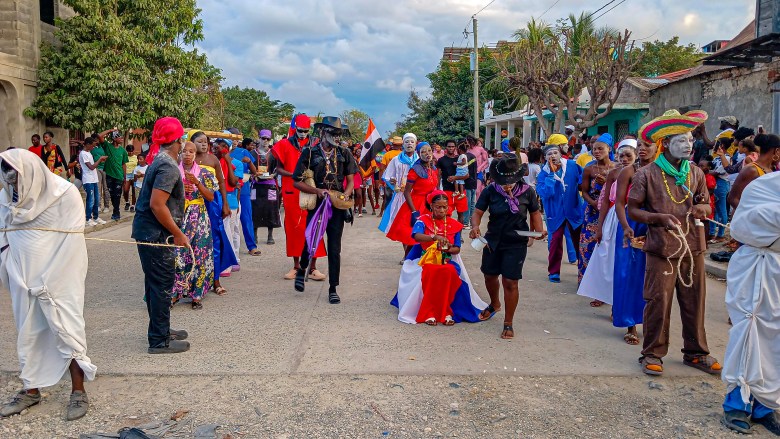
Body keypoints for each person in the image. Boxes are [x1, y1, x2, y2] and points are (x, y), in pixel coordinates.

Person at [0, 149, 98, 421]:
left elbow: (72, 243)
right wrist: (12, 271)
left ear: (31, 171)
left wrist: (50, 280)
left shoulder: (64, 195)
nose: (11, 183)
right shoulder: (6, 198)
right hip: (23, 279)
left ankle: (78, 390)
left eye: (15, 176)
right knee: (27, 332)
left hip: (59, 277)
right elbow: (4, 239)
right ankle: (31, 389)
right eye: (6, 175)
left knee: (67, 327)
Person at [629, 109, 720, 376]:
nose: (688, 145)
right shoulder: (646, 174)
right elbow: (633, 209)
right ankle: (652, 354)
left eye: (690, 140)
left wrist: (703, 208)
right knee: (658, 301)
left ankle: (696, 353)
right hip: (661, 248)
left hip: (693, 246)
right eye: (681, 140)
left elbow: (705, 202)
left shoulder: (696, 173)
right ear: (665, 143)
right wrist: (657, 217)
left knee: (695, 300)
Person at [720, 170, 780, 435]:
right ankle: (737, 403)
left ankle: (766, 405)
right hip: (756, 267)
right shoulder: (763, 187)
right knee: (748, 333)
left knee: (776, 340)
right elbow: (744, 225)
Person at [131, 116, 190, 355]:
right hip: (156, 235)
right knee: (161, 286)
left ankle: (162, 329)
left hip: (151, 233)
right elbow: (157, 205)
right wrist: (178, 234)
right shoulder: (167, 165)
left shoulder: (161, 160)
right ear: (178, 140)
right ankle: (158, 340)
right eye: (183, 137)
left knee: (158, 284)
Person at [470, 156, 546, 339]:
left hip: (516, 242)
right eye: (503, 181)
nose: (507, 185)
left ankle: (508, 322)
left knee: (510, 282)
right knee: (489, 275)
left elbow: (535, 213)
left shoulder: (528, 192)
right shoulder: (490, 191)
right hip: (493, 240)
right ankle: (495, 304)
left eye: (510, 181)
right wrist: (475, 226)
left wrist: (538, 231)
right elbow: (478, 212)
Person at [393, 191, 487, 325]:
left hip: (446, 260)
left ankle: (446, 312)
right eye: (438, 207)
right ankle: (429, 312)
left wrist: (446, 248)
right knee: (431, 272)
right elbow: (416, 236)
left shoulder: (454, 224)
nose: (442, 210)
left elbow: (457, 248)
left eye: (445, 207)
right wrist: (434, 237)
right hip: (424, 259)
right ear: (431, 206)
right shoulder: (423, 220)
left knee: (449, 272)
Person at [292, 116, 358, 304]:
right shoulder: (310, 153)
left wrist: (344, 195)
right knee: (310, 239)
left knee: (335, 248)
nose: (336, 137)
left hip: (336, 206)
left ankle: (333, 288)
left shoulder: (344, 153)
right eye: (332, 133)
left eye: (338, 133)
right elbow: (296, 181)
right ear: (322, 132)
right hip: (318, 204)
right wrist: (317, 191)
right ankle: (302, 269)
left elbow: (351, 181)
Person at [577, 139, 636, 309]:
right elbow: (604, 202)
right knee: (606, 258)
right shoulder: (613, 173)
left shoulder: (643, 173)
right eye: (621, 155)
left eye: (628, 155)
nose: (624, 159)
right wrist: (600, 227)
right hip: (613, 218)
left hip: (633, 218)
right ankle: (603, 294)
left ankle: (620, 302)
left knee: (626, 262)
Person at [271, 114, 326, 280]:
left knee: (315, 227)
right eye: (300, 130)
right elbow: (278, 169)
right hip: (292, 191)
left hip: (312, 189)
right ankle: (296, 267)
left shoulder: (316, 144)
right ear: (295, 128)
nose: (302, 133)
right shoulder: (284, 144)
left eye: (305, 130)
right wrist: (294, 175)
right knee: (294, 229)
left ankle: (313, 267)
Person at [612, 139, 655, 345]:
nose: (643, 149)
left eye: (648, 145)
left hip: (656, 226)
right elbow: (620, 203)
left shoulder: (663, 171)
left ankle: (650, 321)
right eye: (641, 146)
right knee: (628, 275)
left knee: (652, 275)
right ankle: (631, 324)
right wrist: (625, 226)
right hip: (631, 226)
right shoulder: (628, 172)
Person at [170, 142, 215, 310]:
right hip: (180, 217)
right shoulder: (173, 171)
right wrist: (181, 189)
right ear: (180, 154)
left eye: (191, 152)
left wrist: (197, 183)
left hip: (199, 217)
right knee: (178, 255)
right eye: (184, 152)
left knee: (200, 253)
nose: (187, 154)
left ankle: (197, 295)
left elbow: (210, 197)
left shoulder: (203, 173)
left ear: (196, 155)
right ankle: (175, 293)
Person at [190, 132, 236, 291]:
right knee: (193, 241)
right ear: (191, 143)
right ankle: (192, 280)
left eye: (206, 142)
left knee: (214, 240)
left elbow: (222, 182)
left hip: (212, 202)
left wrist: (225, 203)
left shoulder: (213, 159)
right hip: (193, 203)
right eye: (200, 141)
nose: (204, 144)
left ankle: (216, 280)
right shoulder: (188, 159)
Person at [536, 134, 584, 283]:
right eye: (549, 154)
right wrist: (551, 174)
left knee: (579, 242)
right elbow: (545, 193)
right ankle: (554, 272)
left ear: (560, 153)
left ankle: (583, 271)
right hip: (554, 214)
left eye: (555, 152)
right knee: (555, 242)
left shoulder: (572, 166)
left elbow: (583, 181)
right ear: (545, 157)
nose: (553, 156)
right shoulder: (543, 173)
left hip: (573, 211)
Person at [386, 142, 439, 256]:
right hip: (417, 204)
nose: (427, 154)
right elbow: (407, 192)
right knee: (413, 235)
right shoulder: (415, 170)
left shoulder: (434, 169)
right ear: (419, 154)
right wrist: (414, 210)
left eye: (429, 151)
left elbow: (435, 187)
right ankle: (407, 260)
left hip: (430, 204)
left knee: (430, 234)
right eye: (423, 152)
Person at [578, 133, 616, 286]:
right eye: (594, 149)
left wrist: (607, 181)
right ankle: (586, 282)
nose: (597, 152)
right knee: (587, 246)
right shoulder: (589, 169)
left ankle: (603, 285)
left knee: (606, 246)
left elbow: (620, 191)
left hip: (611, 212)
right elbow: (584, 191)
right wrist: (593, 203)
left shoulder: (617, 168)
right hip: (592, 212)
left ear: (609, 149)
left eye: (601, 149)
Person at [379, 133, 419, 252]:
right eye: (407, 142)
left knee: (416, 223)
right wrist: (393, 182)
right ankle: (406, 252)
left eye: (412, 142)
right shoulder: (396, 160)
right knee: (404, 225)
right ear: (403, 144)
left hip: (416, 196)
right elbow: (387, 176)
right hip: (401, 196)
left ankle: (414, 252)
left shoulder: (419, 159)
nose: (409, 144)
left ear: (416, 144)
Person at [227, 137, 261, 257]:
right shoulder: (220, 153)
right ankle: (228, 250)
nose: (234, 142)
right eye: (231, 139)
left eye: (236, 139)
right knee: (227, 220)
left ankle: (251, 246)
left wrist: (249, 162)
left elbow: (254, 171)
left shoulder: (243, 152)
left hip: (244, 188)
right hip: (227, 190)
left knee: (246, 218)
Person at [727, 133, 779, 210]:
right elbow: (732, 198)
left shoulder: (770, 170)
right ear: (776, 151)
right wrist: (750, 215)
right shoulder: (752, 170)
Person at [251, 129, 281, 244]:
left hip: (270, 185)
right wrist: (254, 175)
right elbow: (248, 168)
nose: (265, 141)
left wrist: (274, 175)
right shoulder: (253, 153)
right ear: (259, 138)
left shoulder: (274, 153)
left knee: (271, 209)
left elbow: (278, 167)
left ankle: (270, 235)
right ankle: (254, 235)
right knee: (255, 209)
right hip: (256, 184)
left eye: (268, 139)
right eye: (263, 138)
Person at [98, 130, 129, 221]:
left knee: (118, 194)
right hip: (109, 175)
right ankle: (115, 211)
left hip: (119, 175)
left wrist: (124, 177)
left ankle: (116, 211)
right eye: (120, 137)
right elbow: (100, 136)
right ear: (114, 138)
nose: (122, 139)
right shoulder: (107, 146)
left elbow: (124, 164)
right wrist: (111, 130)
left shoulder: (123, 151)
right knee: (112, 194)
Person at [709, 130, 733, 243]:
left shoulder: (726, 158)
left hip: (721, 184)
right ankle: (713, 232)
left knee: (721, 209)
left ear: (721, 146)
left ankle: (721, 234)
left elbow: (716, 172)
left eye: (717, 144)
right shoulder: (717, 158)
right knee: (716, 209)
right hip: (717, 183)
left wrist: (707, 171)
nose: (714, 146)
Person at [438, 139, 469, 224]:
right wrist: (437, 189)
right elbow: (438, 175)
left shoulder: (460, 159)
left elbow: (467, 175)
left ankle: (459, 236)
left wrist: (455, 178)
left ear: (455, 148)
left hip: (460, 191)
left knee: (461, 215)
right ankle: (447, 235)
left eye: (452, 146)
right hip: (447, 190)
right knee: (446, 214)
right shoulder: (441, 160)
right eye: (449, 146)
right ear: (445, 148)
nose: (451, 148)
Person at [79, 137, 107, 226]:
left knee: (96, 199)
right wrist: (100, 159)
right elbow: (91, 167)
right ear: (88, 144)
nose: (93, 147)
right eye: (93, 145)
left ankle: (96, 217)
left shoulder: (89, 153)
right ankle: (88, 218)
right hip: (88, 180)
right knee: (90, 200)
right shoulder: (83, 154)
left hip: (94, 179)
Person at [379, 136, 404, 216]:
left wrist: (380, 181)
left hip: (389, 181)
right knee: (401, 200)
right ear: (401, 145)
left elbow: (381, 168)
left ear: (393, 144)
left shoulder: (387, 155)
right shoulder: (404, 155)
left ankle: (388, 216)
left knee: (388, 200)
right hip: (402, 182)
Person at [466, 135, 488, 213]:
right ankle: (472, 210)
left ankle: (479, 207)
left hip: (479, 172)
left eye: (469, 141)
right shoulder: (467, 150)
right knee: (471, 191)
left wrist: (480, 168)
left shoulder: (480, 149)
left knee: (478, 191)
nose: (468, 143)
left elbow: (486, 161)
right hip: (470, 172)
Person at [91, 132, 111, 212]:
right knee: (98, 188)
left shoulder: (103, 146)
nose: (97, 141)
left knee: (106, 188)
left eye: (98, 139)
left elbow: (100, 135)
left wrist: (110, 130)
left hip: (105, 169)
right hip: (97, 169)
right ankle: (98, 205)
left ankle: (106, 206)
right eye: (95, 140)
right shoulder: (91, 149)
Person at [123, 145, 138, 211]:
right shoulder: (125, 157)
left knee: (134, 191)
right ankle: (127, 202)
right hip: (127, 175)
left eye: (132, 151)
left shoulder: (136, 157)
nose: (131, 153)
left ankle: (133, 205)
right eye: (129, 152)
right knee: (126, 190)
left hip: (134, 175)